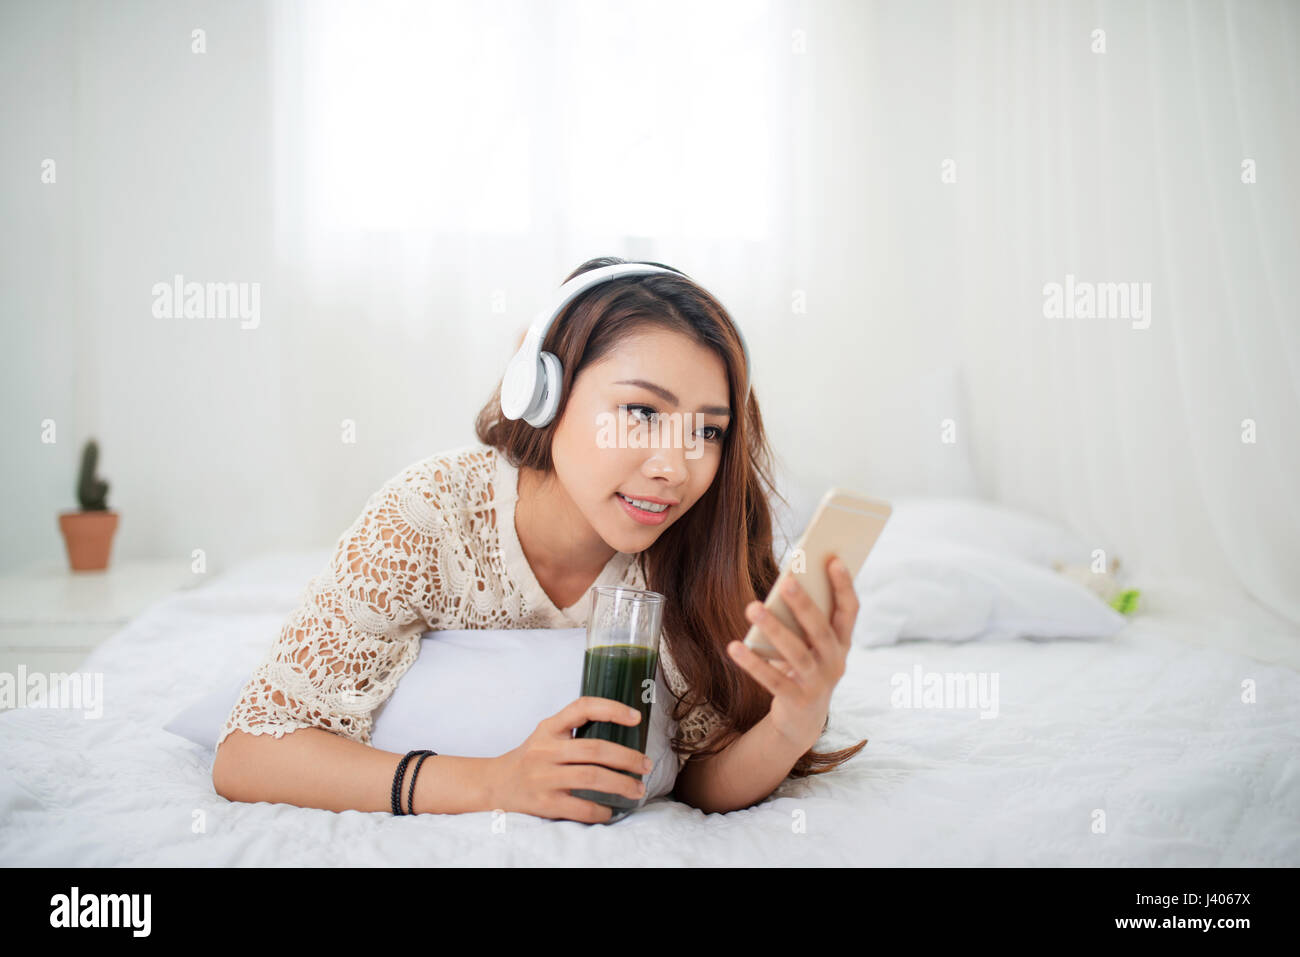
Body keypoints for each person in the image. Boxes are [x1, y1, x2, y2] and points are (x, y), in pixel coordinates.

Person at [211, 256, 867, 820]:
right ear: (543, 394)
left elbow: (701, 776)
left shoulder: (699, 542)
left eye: (708, 430)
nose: (677, 466)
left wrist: (792, 722)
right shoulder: (428, 519)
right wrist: (491, 783)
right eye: (641, 412)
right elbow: (248, 752)